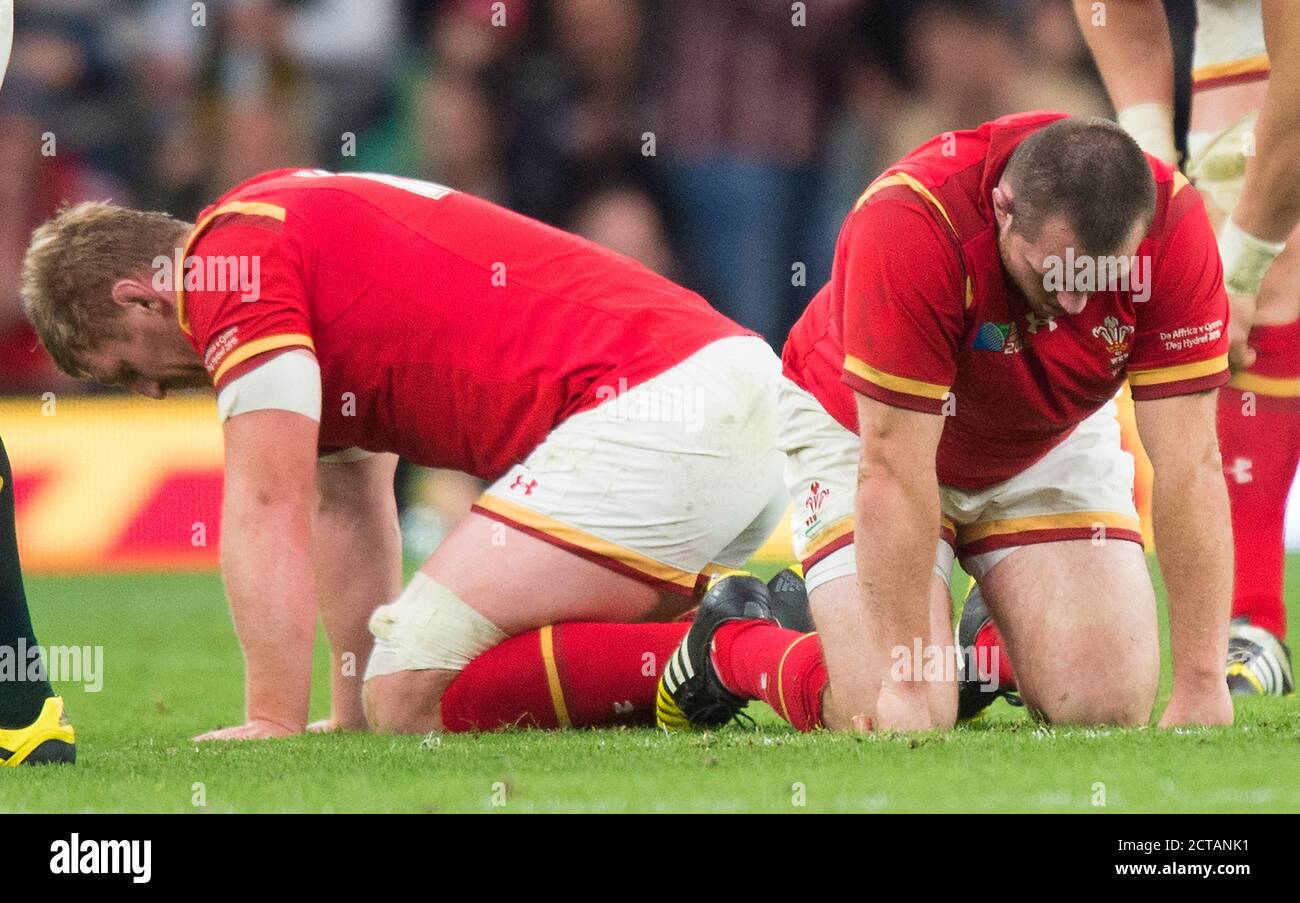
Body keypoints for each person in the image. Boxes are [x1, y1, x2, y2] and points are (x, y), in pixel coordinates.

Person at [20, 168, 787, 738]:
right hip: (720, 403)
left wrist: (269, 719)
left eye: (126, 370)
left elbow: (266, 500)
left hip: (660, 412)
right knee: (429, 683)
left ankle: (747, 648)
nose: (149, 393)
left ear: (140, 297)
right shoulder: (278, 235)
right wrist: (346, 715)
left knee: (412, 693)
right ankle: (751, 635)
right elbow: (346, 505)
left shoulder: (232, 263)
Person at [656, 113, 1236, 733]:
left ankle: (986, 635)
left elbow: (1190, 464)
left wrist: (1203, 684)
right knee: (889, 712)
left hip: (1045, 434)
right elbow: (893, 468)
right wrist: (905, 692)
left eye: (1100, 279)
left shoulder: (1172, 223)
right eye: (1056, 276)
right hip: (866, 432)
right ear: (1004, 209)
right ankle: (733, 641)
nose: (1076, 305)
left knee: (1104, 707)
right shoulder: (911, 219)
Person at [1074, 0, 1295, 694]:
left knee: (1259, 256)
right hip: (1236, 29)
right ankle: (1252, 615)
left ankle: (1252, 615)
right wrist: (1157, 178)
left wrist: (1242, 269)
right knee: (1226, 199)